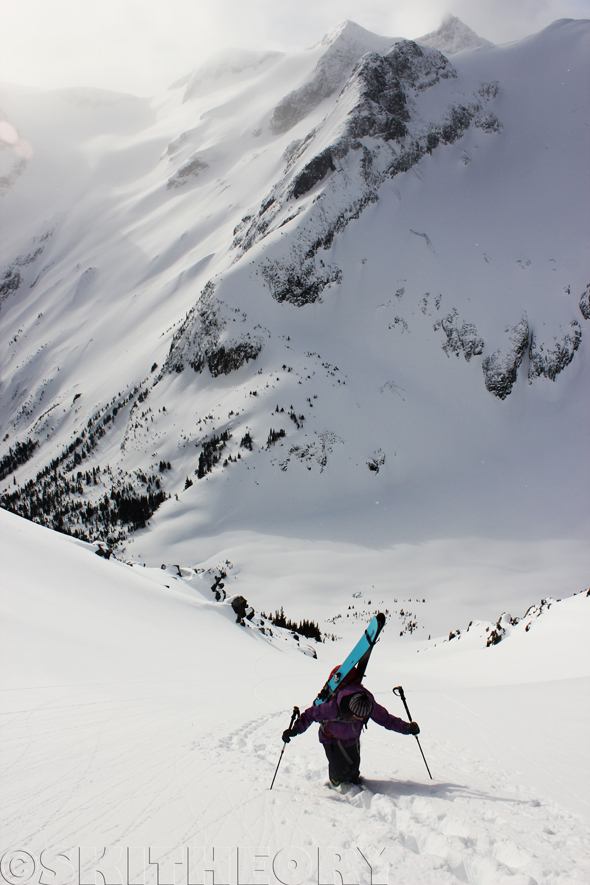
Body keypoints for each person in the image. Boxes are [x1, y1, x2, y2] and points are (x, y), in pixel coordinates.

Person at [282, 677, 420, 789]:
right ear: (350, 710)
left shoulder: (368, 705)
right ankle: (334, 782)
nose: (360, 719)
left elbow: (387, 720)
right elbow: (310, 715)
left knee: (353, 774)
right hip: (331, 739)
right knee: (341, 773)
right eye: (357, 717)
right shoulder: (332, 708)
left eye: (363, 717)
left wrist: (407, 728)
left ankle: (348, 780)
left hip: (352, 739)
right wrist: (295, 730)